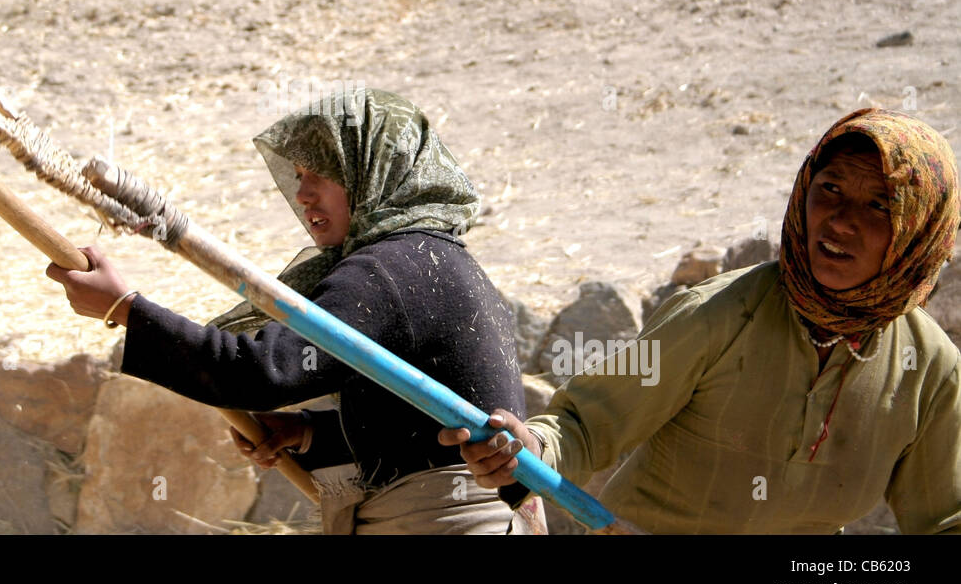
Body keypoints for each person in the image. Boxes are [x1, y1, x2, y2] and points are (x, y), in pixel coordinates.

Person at [441, 107, 961, 534]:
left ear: (921, 231)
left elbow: (944, 520)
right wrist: (527, 452)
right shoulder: (716, 316)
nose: (842, 220)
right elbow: (584, 426)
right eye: (829, 189)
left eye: (878, 204)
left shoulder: (930, 370)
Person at [47, 88, 532, 534]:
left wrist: (125, 309)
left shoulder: (388, 269)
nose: (302, 195)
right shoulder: (442, 262)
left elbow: (259, 373)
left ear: (373, 170)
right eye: (299, 176)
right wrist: (306, 433)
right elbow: (427, 437)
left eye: (321, 174)